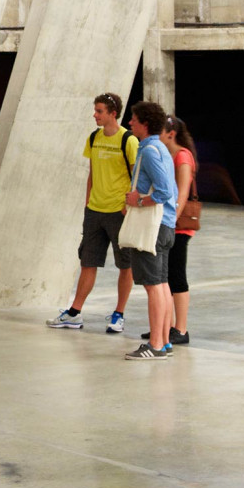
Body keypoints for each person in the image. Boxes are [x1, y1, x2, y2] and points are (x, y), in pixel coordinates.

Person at [46, 93, 139, 334]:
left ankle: (119, 314)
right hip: (95, 211)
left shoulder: (128, 140)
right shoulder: (94, 138)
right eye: (95, 110)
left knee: (125, 265)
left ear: (112, 113)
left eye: (99, 111)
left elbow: (137, 176)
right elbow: (92, 173)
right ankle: (74, 313)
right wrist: (88, 203)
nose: (95, 115)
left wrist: (127, 206)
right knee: (88, 262)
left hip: (118, 212)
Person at [120, 101, 179, 360]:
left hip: (153, 227)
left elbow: (164, 191)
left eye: (133, 119)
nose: (130, 123)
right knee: (161, 283)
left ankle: (155, 345)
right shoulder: (161, 148)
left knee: (153, 285)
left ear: (144, 123)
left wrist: (139, 201)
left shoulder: (150, 151)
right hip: (165, 225)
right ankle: (163, 342)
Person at [148, 115, 199, 347]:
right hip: (169, 224)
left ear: (171, 134)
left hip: (178, 227)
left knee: (176, 276)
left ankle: (181, 328)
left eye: (160, 131)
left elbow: (183, 192)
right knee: (165, 277)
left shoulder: (182, 156)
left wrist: (171, 220)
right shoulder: (168, 155)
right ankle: (165, 328)